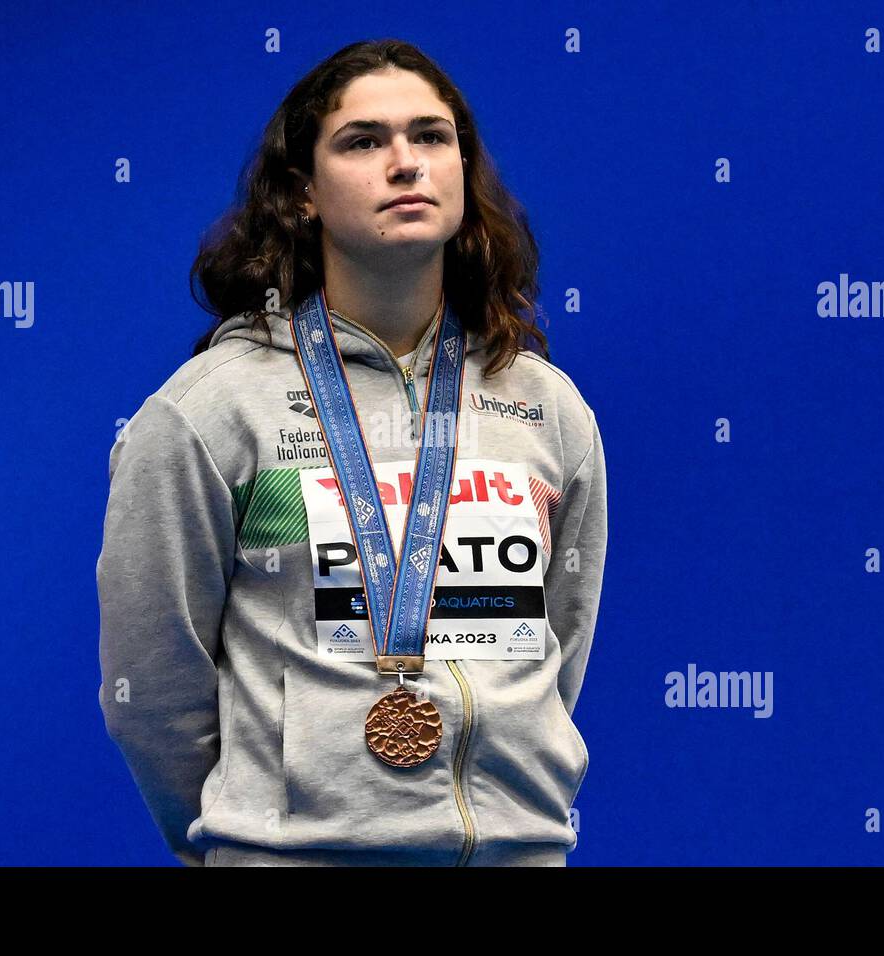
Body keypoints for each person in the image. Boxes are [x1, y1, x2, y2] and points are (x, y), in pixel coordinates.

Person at [97, 38, 607, 867]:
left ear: (464, 173)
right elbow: (151, 694)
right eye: (363, 141)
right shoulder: (211, 410)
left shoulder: (546, 407)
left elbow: (557, 650)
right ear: (303, 193)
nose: (406, 163)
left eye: (432, 137)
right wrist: (259, 837)